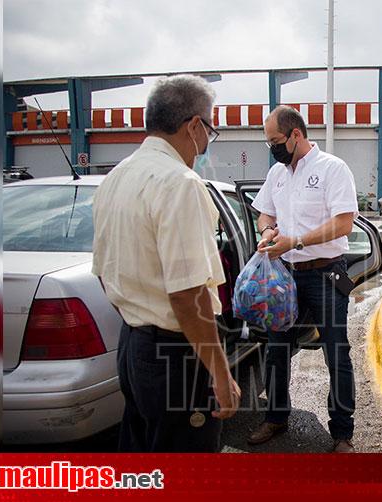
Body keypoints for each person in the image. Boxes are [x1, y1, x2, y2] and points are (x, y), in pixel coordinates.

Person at [92, 74, 240, 452]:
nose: (207, 142)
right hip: (176, 356)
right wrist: (221, 375)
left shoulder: (115, 178)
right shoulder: (181, 184)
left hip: (133, 348)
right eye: (210, 131)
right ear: (194, 126)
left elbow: (105, 274)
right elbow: (188, 295)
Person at [248, 105, 359, 453]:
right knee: (276, 350)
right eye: (269, 143)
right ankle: (276, 418)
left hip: (325, 275)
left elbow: (344, 223)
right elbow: (265, 212)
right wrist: (267, 231)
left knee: (336, 353)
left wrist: (295, 241)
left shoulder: (332, 169)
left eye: (276, 141)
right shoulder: (278, 173)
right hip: (285, 275)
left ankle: (342, 433)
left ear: (296, 134)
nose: (273, 149)